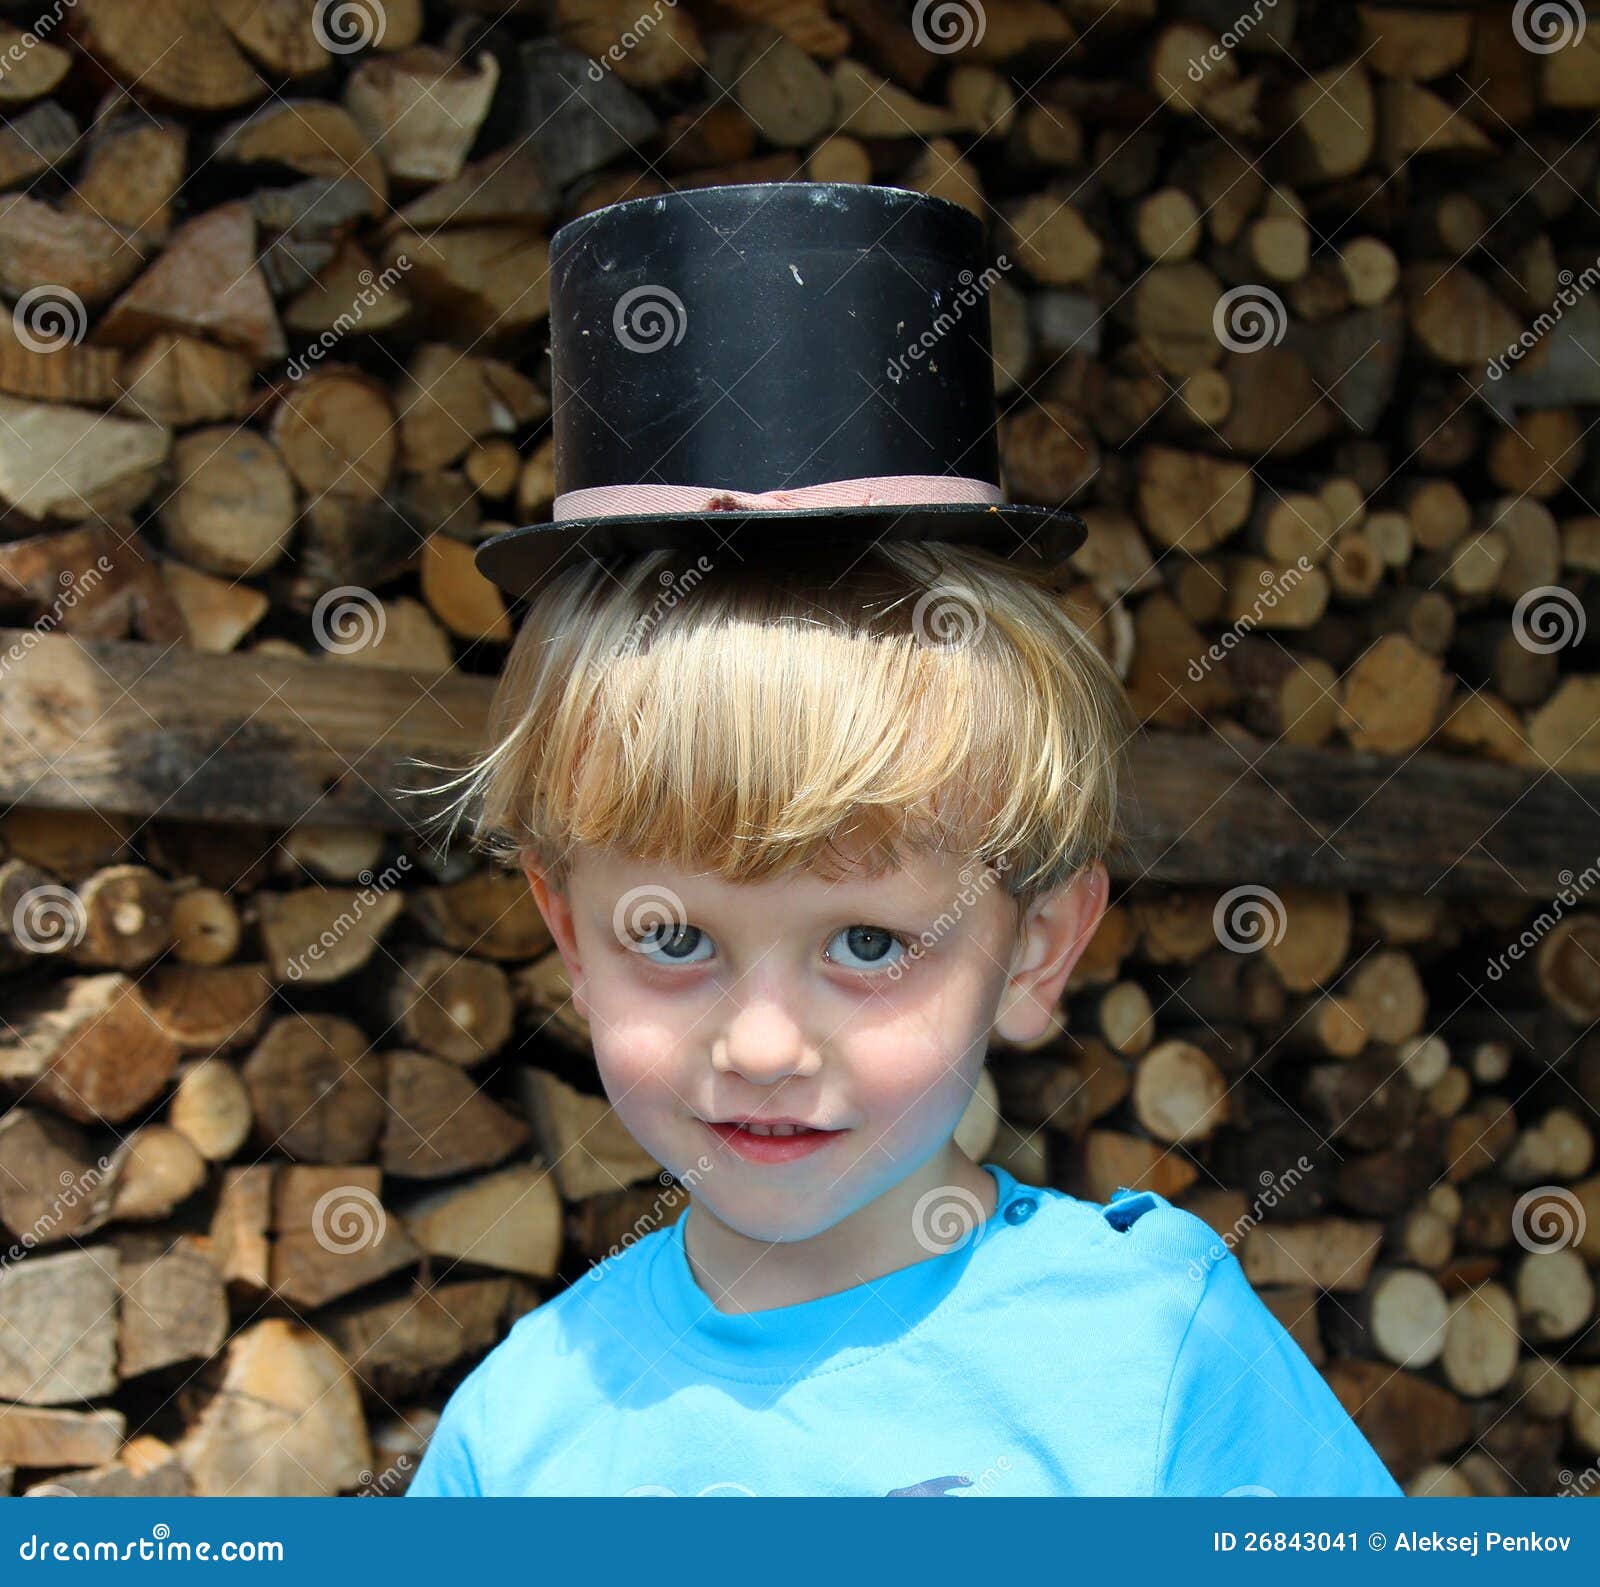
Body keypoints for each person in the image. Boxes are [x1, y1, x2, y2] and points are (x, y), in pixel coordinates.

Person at [405, 183, 1402, 1499]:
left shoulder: (1157, 1351)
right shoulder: (522, 1428)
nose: (762, 1045)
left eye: (869, 941)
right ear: (564, 933)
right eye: (672, 938)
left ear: (1038, 943)